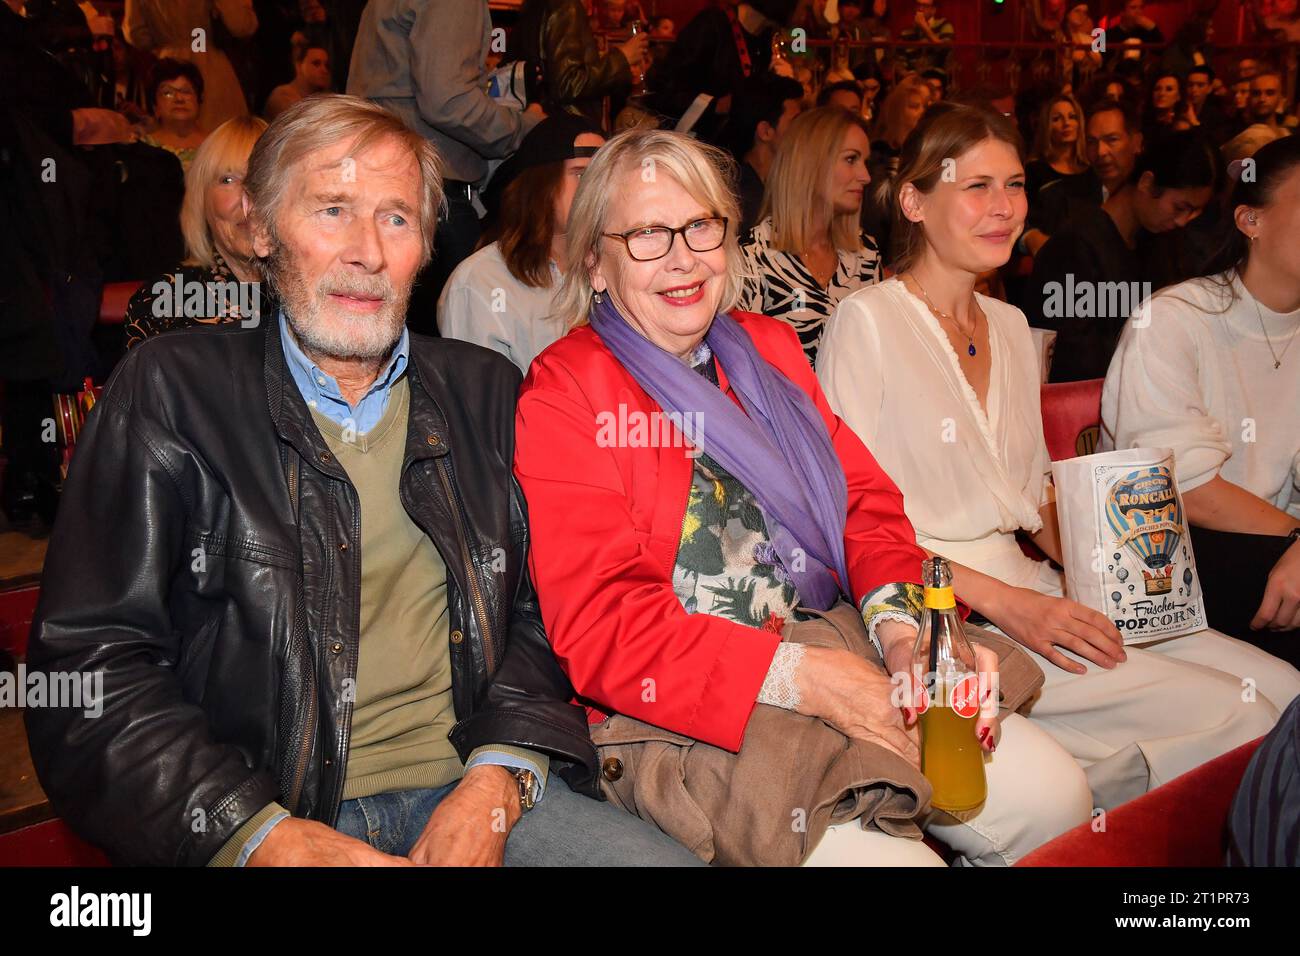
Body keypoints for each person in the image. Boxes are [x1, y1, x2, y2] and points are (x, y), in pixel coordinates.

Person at [24, 94, 698, 868]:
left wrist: (499, 780)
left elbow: (545, 613)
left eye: (397, 219)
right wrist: (261, 837)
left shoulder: (487, 392)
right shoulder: (172, 393)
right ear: (263, 228)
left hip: (475, 786)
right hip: (259, 806)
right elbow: (92, 668)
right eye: (332, 210)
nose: (367, 252)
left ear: (424, 247)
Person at [515, 125, 1093, 865]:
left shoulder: (766, 346)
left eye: (700, 226)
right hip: (692, 706)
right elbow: (604, 627)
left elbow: (865, 505)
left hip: (837, 638)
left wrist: (902, 633)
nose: (685, 257)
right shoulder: (566, 392)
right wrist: (806, 679)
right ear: (595, 262)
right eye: (647, 236)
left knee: (1058, 799)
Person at [817, 102, 1297, 812]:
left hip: (1041, 590)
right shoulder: (867, 322)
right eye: (976, 187)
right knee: (1242, 718)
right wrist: (1014, 605)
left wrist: (1130, 572)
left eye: (1014, 186)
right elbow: (852, 523)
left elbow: (1035, 499)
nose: (1005, 208)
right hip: (943, 610)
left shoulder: (1012, 327)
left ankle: (1111, 801)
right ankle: (1096, 819)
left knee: (1285, 695)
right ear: (914, 201)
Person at [1102, 135, 1300, 666]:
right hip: (1171, 565)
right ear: (1249, 220)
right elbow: (1182, 490)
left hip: (1276, 554)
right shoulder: (1173, 320)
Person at [347, 0, 546, 336]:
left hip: (387, 176)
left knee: (394, 333)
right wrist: (527, 127)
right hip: (432, 191)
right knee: (448, 346)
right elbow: (448, 101)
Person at [1028, 129, 1219, 381]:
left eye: (1193, 212)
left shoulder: (1158, 244)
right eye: (1180, 207)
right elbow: (1072, 361)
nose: (1183, 221)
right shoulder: (1075, 247)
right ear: (1147, 183)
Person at [438, 116, 605, 371]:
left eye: (605, 178)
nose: (598, 191)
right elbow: (480, 401)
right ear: (541, 185)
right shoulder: (481, 282)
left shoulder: (619, 268)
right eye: (582, 175)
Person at [739, 106, 879, 366]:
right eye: (851, 159)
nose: (866, 176)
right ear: (810, 164)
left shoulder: (866, 255)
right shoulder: (752, 257)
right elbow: (744, 371)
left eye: (865, 162)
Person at [124, 116, 268, 347]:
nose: (247, 199)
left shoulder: (314, 294)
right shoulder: (164, 304)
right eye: (228, 180)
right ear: (202, 200)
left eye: (261, 177)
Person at [1020, 96, 1140, 257]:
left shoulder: (1151, 193)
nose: (1101, 152)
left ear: (1137, 142)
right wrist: (1030, 236)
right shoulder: (1060, 192)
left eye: (1112, 140)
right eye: (1092, 142)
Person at [509, 0, 647, 128]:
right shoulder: (566, 5)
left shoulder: (539, 4)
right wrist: (622, 58)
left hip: (544, 123)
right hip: (567, 128)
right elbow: (568, 83)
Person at [123, 0, 256, 131]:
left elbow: (136, 33)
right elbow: (241, 24)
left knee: (171, 138)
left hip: (168, 65)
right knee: (220, 139)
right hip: (209, 63)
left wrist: (166, 43)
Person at [728, 72, 805, 233]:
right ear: (766, 131)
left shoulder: (783, 186)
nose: (805, 131)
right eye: (796, 122)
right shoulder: (739, 201)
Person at [138, 58, 208, 172]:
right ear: (155, 106)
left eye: (186, 91)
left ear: (199, 99)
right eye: (168, 93)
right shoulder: (142, 149)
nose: (179, 98)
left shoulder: (217, 145)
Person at [264, 41, 331, 120]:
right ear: (299, 66)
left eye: (327, 65)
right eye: (316, 63)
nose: (324, 70)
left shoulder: (324, 97)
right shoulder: (282, 96)